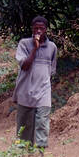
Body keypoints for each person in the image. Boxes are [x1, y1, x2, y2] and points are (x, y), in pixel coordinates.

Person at [14, 15, 56, 150]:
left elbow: (51, 71)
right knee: (24, 127)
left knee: (43, 123)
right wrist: (35, 49)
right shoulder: (24, 44)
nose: (38, 31)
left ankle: (40, 154)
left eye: (41, 28)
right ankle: (25, 156)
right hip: (26, 91)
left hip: (43, 91)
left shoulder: (52, 47)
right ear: (32, 29)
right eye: (36, 28)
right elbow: (25, 66)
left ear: (46, 30)